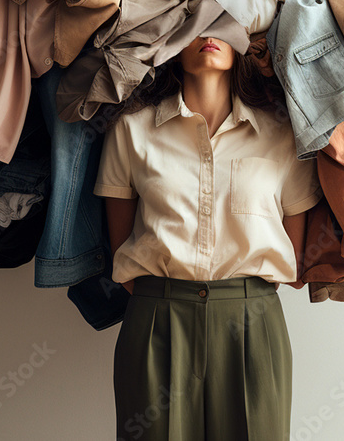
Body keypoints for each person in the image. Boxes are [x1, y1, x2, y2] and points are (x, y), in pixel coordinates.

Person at [94, 34, 324, 440]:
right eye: (195, 23)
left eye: (222, 22)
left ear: (243, 41)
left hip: (253, 324)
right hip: (157, 322)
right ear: (172, 42)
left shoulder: (283, 135)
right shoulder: (130, 131)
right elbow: (122, 254)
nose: (209, 35)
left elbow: (296, 263)